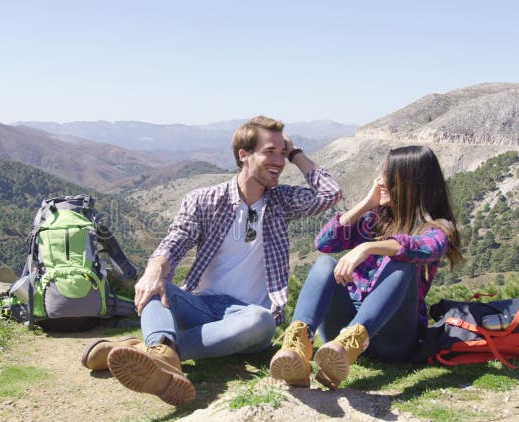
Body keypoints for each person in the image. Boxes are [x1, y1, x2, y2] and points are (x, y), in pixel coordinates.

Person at [80, 115, 342, 405]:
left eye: (282, 153)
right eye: (270, 152)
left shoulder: (282, 201)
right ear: (244, 155)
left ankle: (153, 350)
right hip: (201, 306)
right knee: (156, 284)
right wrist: (154, 268)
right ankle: (161, 353)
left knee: (262, 319)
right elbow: (175, 241)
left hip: (248, 317)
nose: (279, 161)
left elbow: (331, 194)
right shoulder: (204, 200)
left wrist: (296, 153)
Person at [269, 145, 462, 390]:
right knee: (325, 264)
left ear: (408, 182)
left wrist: (368, 248)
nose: (380, 181)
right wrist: (365, 204)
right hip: (339, 335)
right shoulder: (374, 219)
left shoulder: (438, 227)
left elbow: (425, 248)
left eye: (387, 175)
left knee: (402, 266)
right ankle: (297, 346)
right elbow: (324, 243)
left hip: (394, 338)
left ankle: (353, 342)